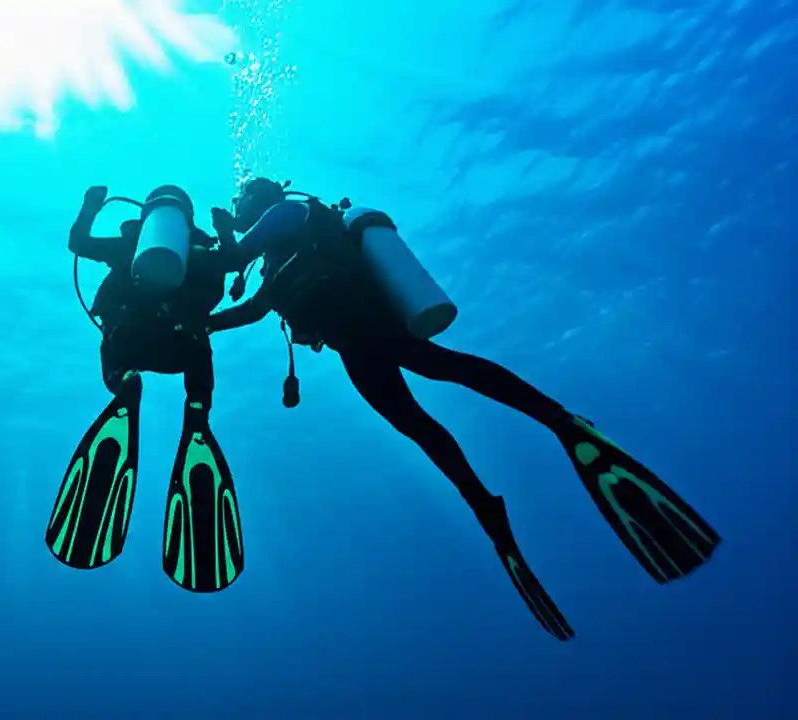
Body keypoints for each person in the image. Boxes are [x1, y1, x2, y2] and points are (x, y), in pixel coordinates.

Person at [208, 177, 721, 639]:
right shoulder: (273, 262)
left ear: (260, 198)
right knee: (417, 420)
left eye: (243, 199)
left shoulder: (288, 214)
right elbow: (252, 310)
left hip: (366, 320)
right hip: (353, 346)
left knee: (444, 369)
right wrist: (204, 326)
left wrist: (226, 234)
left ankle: (556, 421)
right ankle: (485, 497)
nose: (241, 206)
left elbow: (234, 258)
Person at [45, 184, 246, 593]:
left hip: (130, 342)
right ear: (188, 218)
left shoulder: (130, 247)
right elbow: (234, 261)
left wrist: (89, 206)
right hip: (182, 348)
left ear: (146, 213)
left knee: (118, 353)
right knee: (197, 346)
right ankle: (197, 411)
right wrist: (226, 230)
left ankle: (125, 387)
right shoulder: (197, 251)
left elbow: (78, 243)